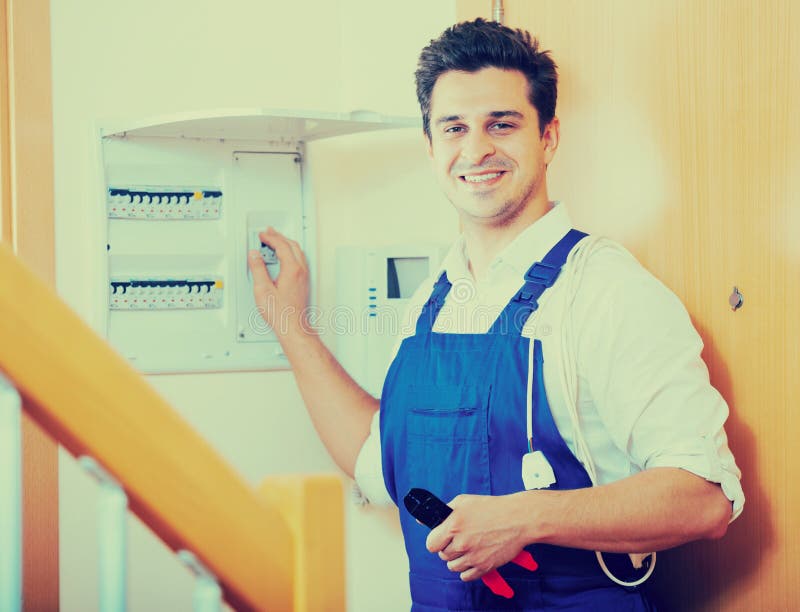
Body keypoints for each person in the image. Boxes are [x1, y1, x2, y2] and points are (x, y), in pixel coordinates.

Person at [247, 18, 743, 611]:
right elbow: (374, 462)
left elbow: (705, 498)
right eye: (453, 127)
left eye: (501, 124)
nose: (476, 149)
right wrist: (290, 328)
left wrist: (524, 519)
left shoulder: (607, 291)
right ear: (431, 147)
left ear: (549, 136)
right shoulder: (433, 300)